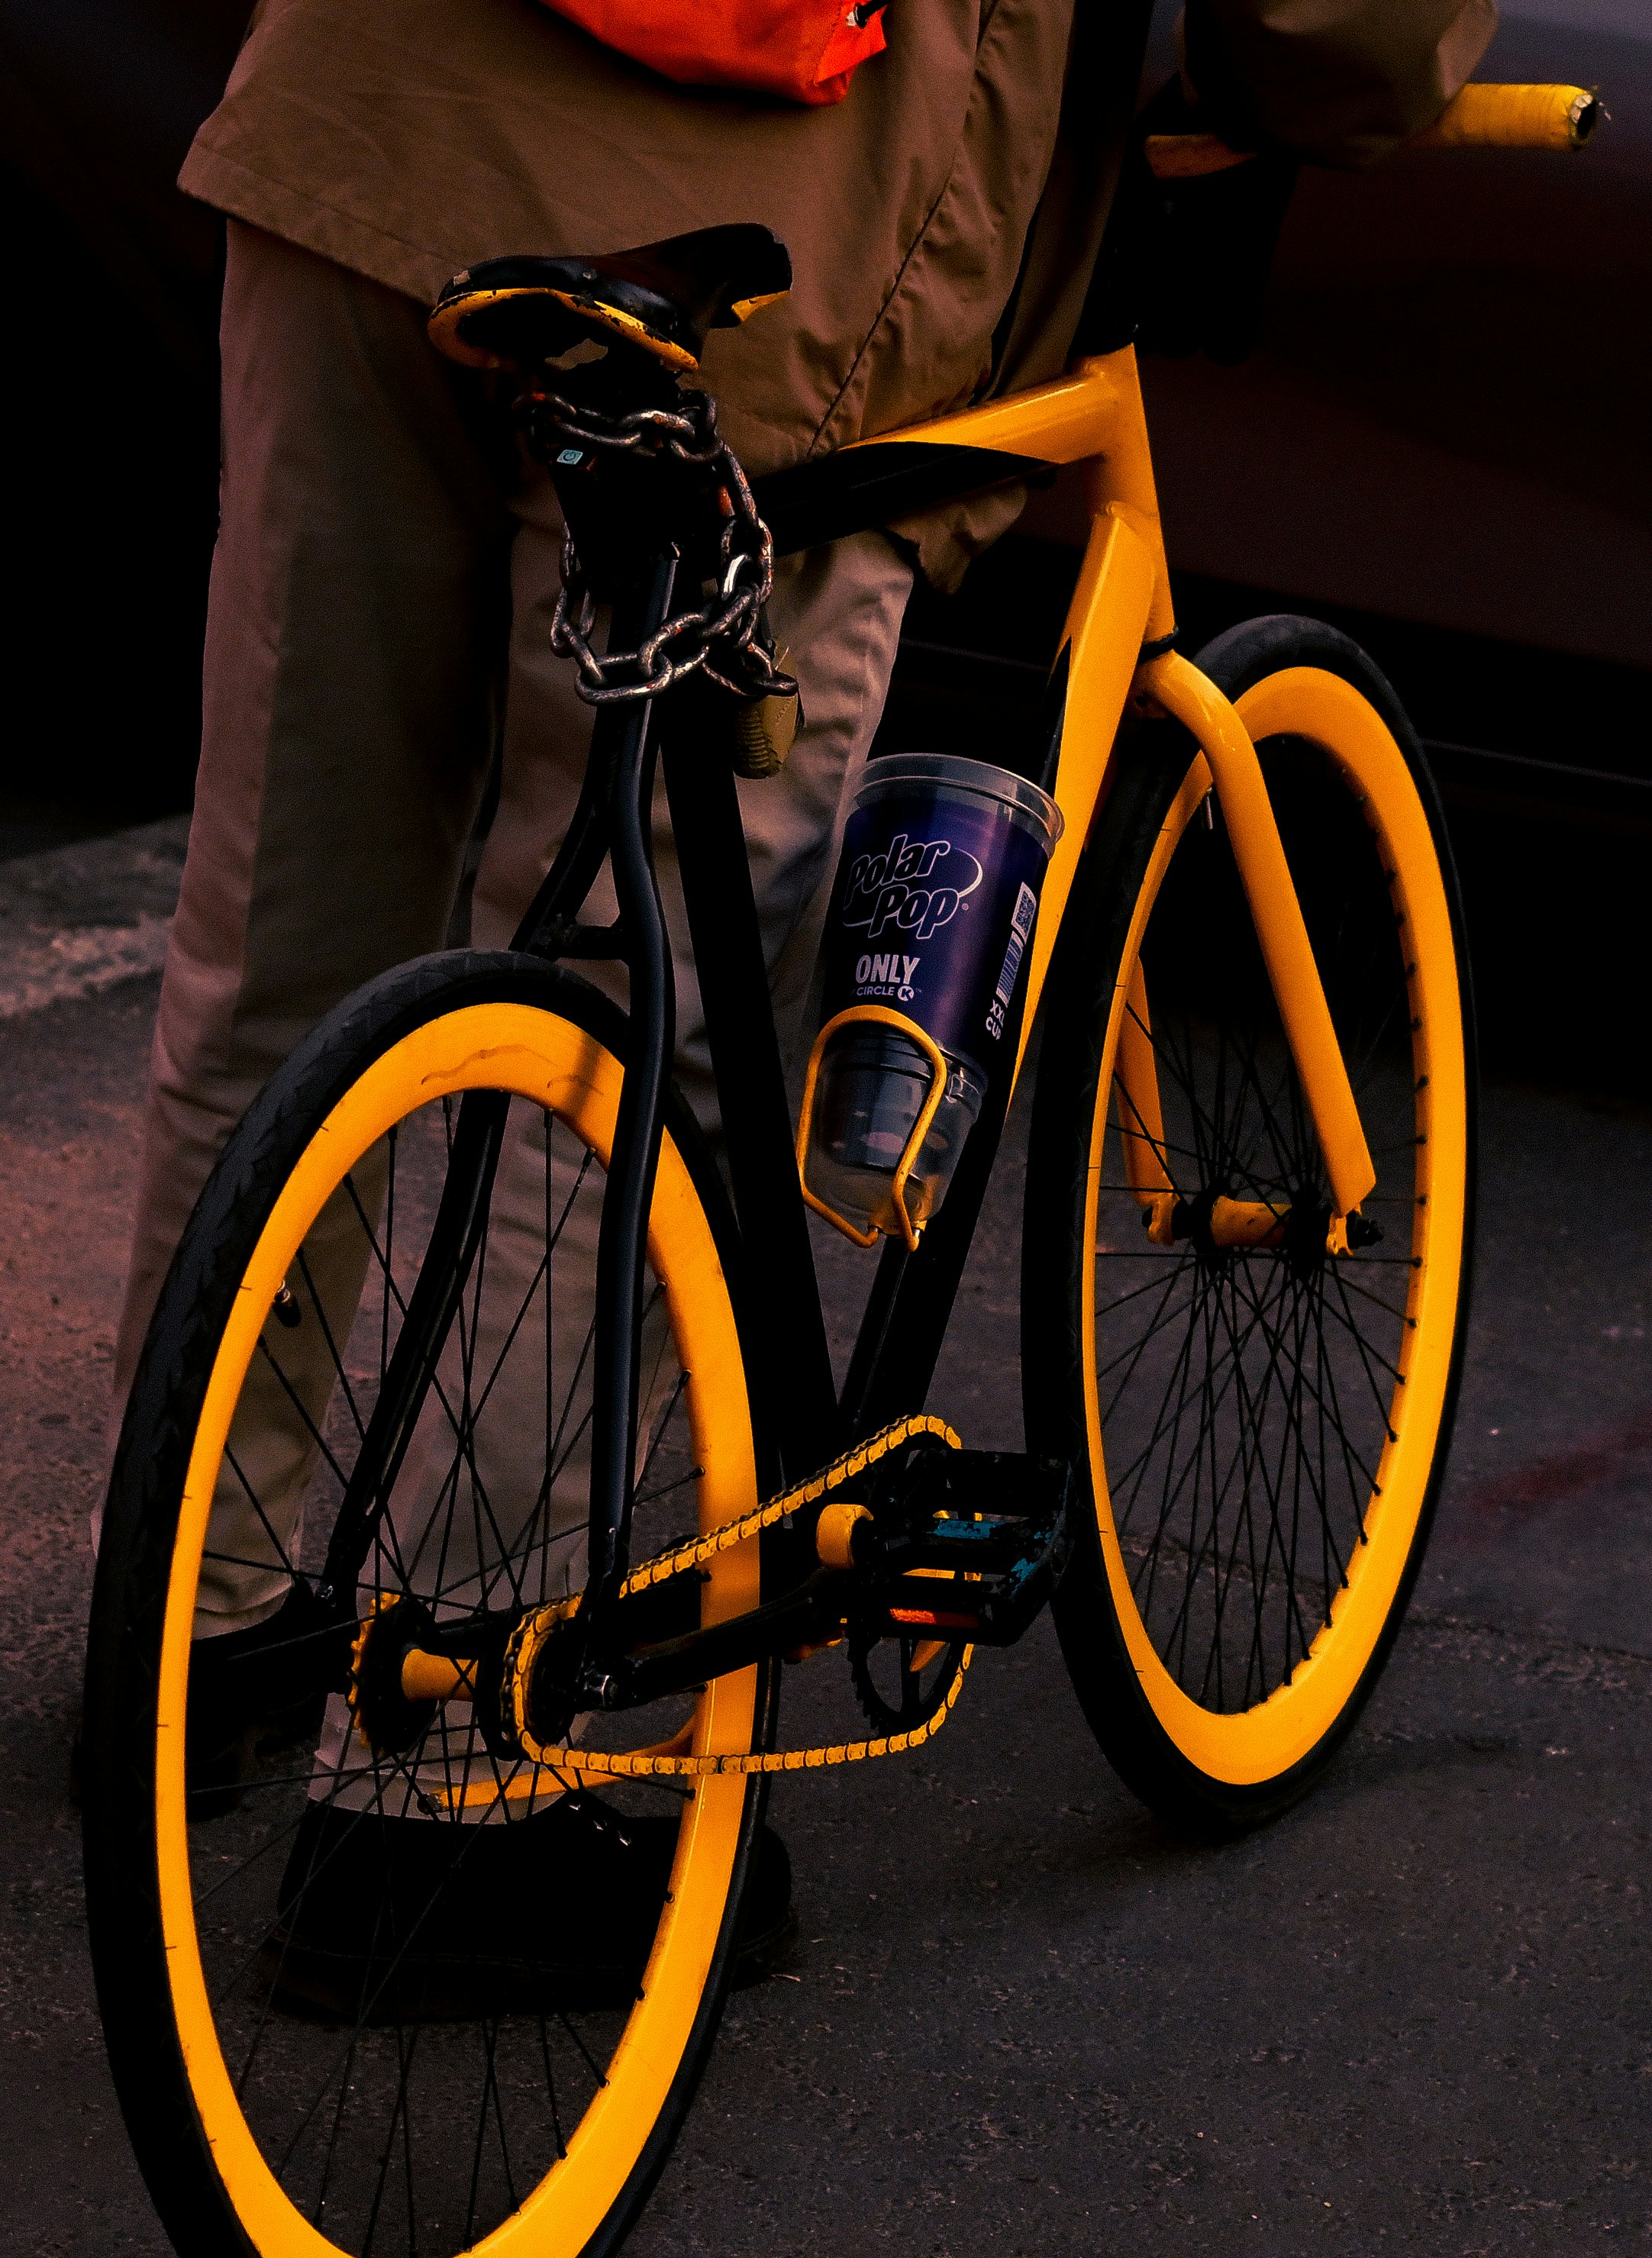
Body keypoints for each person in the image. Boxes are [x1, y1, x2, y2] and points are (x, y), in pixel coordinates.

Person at [108, 0, 1498, 2002]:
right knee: (630, 1045)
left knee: (289, 927)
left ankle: (196, 1630)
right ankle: (476, 1791)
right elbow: (1323, 31)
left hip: (373, 128)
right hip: (761, 254)